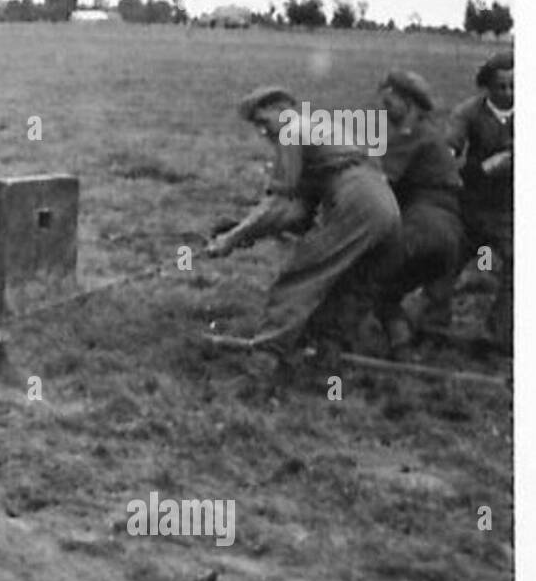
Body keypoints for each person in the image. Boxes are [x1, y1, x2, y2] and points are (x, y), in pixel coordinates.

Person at [206, 86, 401, 387]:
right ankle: (325, 364)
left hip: (357, 201)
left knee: (301, 275)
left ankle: (263, 364)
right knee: (348, 285)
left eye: (263, 121)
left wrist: (230, 239)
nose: (262, 132)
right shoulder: (319, 129)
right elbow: (296, 214)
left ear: (282, 109)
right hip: (386, 206)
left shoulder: (291, 130)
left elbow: (279, 204)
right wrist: (246, 232)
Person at [371, 70, 464, 360]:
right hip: (450, 234)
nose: (384, 111)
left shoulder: (409, 135)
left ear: (408, 102)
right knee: (386, 289)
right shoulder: (430, 132)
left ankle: (328, 344)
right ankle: (403, 349)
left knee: (360, 275)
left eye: (389, 104)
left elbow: (380, 184)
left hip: (423, 226)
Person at [436, 50, 514, 344]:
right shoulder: (467, 113)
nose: (508, 92)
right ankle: (432, 322)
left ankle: (500, 333)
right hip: (472, 205)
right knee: (447, 258)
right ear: (487, 87)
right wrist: (482, 168)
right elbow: (447, 158)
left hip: (511, 211)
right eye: (501, 86)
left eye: (514, 85)